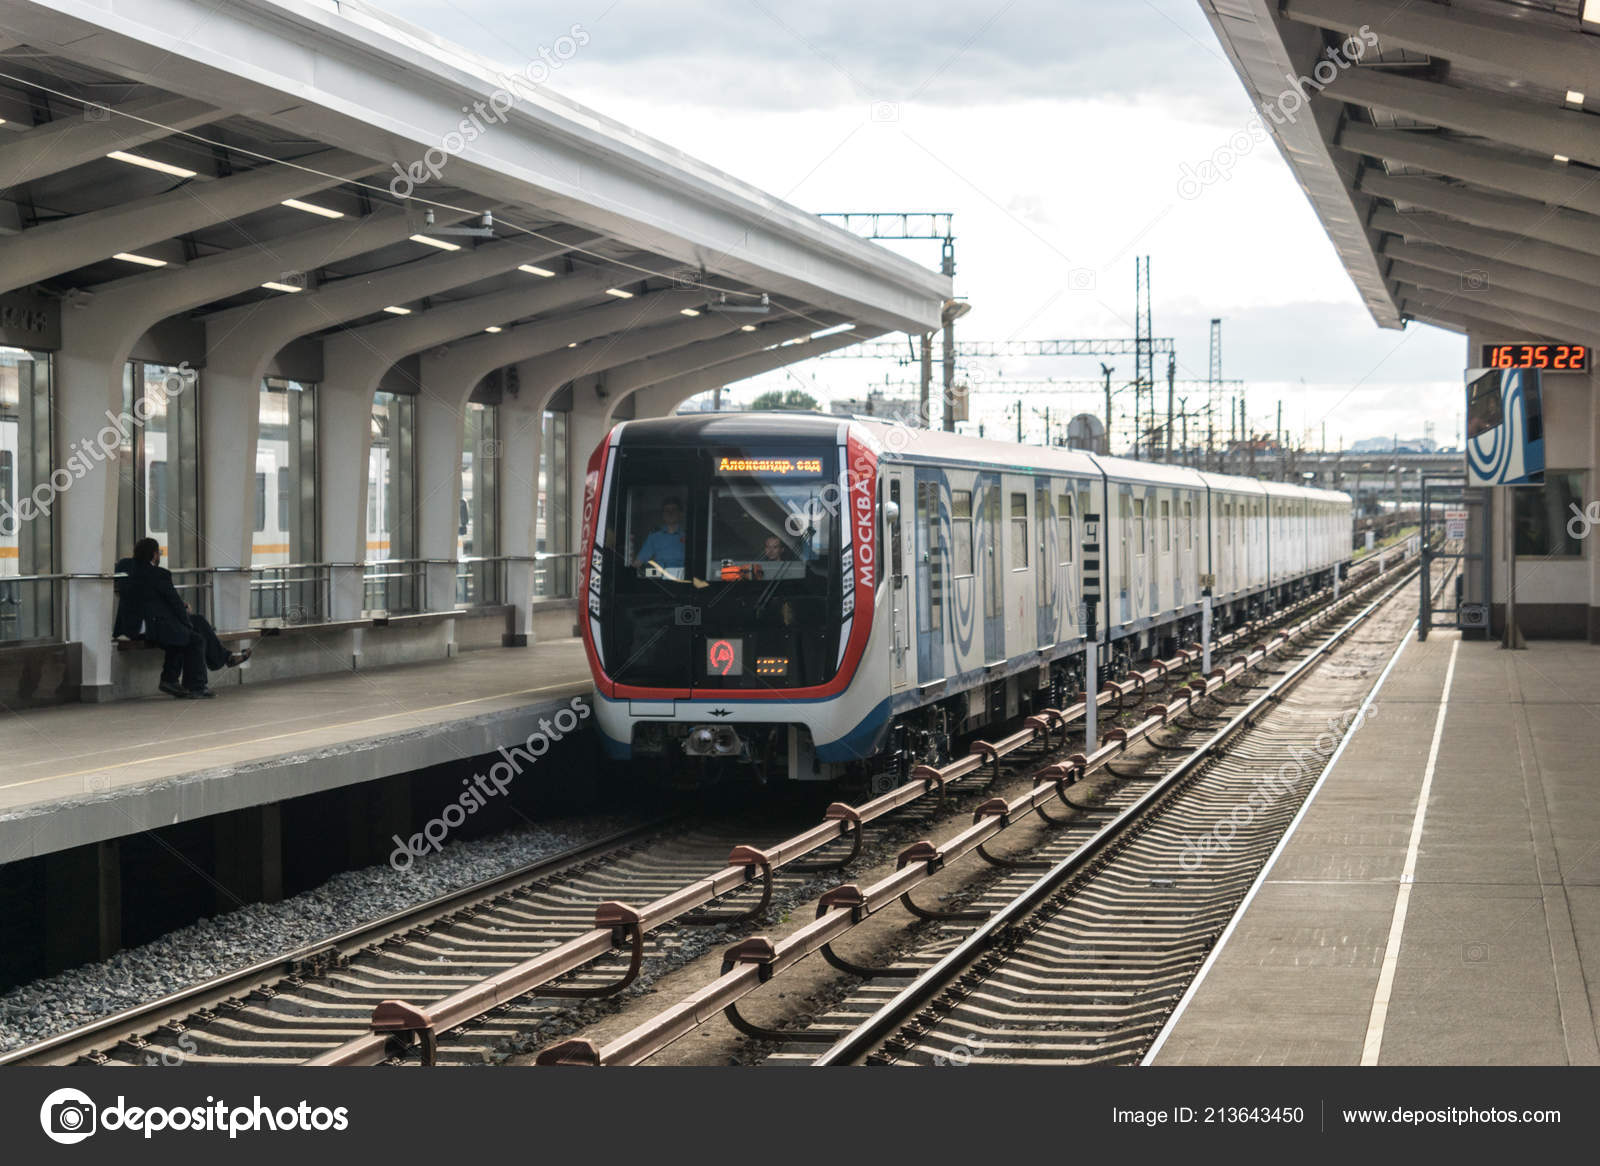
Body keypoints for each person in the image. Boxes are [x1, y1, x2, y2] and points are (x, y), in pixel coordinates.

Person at [113, 538, 249, 699]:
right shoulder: (160, 574)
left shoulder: (124, 566)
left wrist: (185, 616)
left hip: (132, 625)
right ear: (155, 554)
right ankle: (196, 686)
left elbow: (153, 599)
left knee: (197, 621)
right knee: (194, 638)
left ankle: (226, 657)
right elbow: (174, 602)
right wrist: (185, 617)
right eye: (159, 553)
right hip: (151, 625)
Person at [634, 498, 686, 575]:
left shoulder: (688, 536)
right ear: (663, 515)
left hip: (682, 580)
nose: (670, 513)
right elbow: (639, 562)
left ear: (680, 514)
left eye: (674, 510)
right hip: (660, 581)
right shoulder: (654, 537)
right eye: (667, 510)